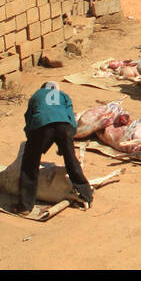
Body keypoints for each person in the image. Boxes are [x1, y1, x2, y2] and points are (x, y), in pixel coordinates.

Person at [16, 82, 93, 215]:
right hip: (65, 125)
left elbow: (29, 118)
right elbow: (71, 118)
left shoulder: (36, 95)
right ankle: (86, 194)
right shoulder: (63, 95)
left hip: (42, 124)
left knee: (30, 163)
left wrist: (32, 142)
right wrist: (66, 143)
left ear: (43, 88)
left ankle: (25, 206)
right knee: (71, 160)